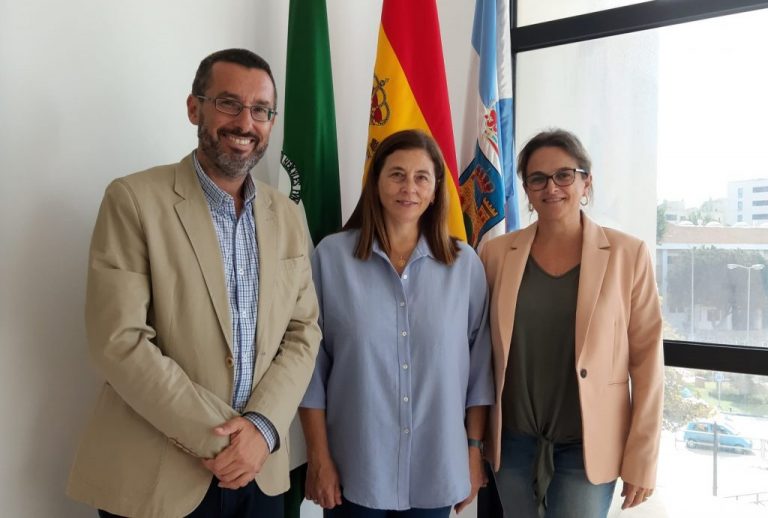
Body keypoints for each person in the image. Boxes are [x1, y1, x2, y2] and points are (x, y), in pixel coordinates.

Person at [66, 48, 321, 518]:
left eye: (261, 110)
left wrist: (262, 429)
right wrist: (226, 439)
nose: (246, 122)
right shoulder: (133, 200)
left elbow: (304, 332)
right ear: (194, 108)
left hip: (260, 476)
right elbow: (118, 340)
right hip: (158, 477)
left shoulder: (286, 216)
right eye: (229, 103)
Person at [299, 129, 494, 517]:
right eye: (397, 174)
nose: (410, 187)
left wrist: (473, 453)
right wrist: (318, 457)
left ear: (437, 189)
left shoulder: (465, 265)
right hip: (354, 470)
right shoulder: (331, 258)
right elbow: (310, 369)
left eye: (422, 177)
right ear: (375, 182)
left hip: (435, 468)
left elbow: (479, 369)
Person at [479, 129, 664, 518]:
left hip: (589, 446)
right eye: (537, 178)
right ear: (526, 189)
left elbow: (648, 363)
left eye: (564, 175)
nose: (552, 188)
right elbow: (478, 354)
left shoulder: (628, 255)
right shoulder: (495, 255)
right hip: (512, 443)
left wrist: (642, 458)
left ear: (586, 182)